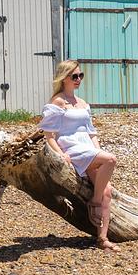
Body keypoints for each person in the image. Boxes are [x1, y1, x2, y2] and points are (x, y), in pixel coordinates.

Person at [38, 60, 119, 251]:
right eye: (74, 76)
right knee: (111, 159)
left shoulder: (82, 103)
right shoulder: (57, 102)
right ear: (64, 78)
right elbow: (48, 135)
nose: (78, 80)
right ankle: (95, 202)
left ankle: (102, 239)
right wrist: (60, 154)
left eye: (80, 76)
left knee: (107, 190)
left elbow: (92, 134)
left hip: (88, 150)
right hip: (72, 149)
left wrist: (97, 151)